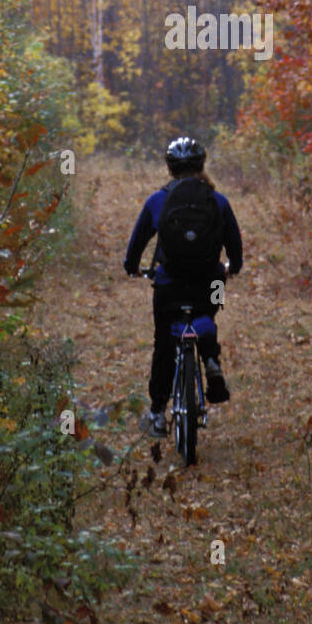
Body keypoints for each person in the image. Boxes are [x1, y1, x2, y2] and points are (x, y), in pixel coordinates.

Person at [124, 136, 243, 437]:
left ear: (170, 168)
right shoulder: (218, 200)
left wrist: (132, 268)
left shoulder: (157, 200)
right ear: (202, 165)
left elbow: (137, 244)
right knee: (211, 311)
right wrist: (232, 269)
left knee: (164, 342)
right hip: (213, 282)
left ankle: (156, 415)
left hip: (168, 284)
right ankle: (211, 358)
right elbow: (235, 248)